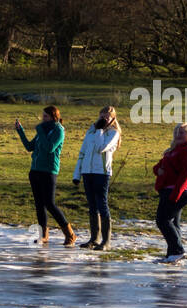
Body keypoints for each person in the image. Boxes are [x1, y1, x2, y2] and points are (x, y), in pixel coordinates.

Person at [15, 106, 76, 245]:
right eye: (42, 116)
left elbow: (50, 148)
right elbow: (30, 147)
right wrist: (20, 131)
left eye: (46, 116)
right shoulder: (42, 129)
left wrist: (40, 131)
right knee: (39, 204)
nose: (43, 119)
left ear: (53, 117)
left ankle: (70, 234)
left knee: (50, 203)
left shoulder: (58, 130)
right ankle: (43, 235)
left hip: (49, 171)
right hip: (35, 170)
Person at [71, 106, 122, 250]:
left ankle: (106, 241)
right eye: (101, 117)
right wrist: (77, 174)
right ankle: (94, 238)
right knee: (92, 206)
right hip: (88, 172)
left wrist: (100, 129)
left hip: (102, 173)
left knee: (102, 204)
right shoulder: (91, 131)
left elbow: (101, 148)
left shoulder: (113, 133)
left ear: (112, 119)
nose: (103, 120)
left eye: (106, 118)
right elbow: (82, 152)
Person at [151, 122, 187, 263]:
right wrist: (159, 170)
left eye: (182, 133)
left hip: (179, 191)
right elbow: (157, 167)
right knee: (173, 222)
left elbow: (186, 176)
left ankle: (178, 251)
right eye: (176, 133)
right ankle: (172, 254)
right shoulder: (173, 150)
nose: (178, 135)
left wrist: (176, 194)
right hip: (167, 190)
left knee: (163, 220)